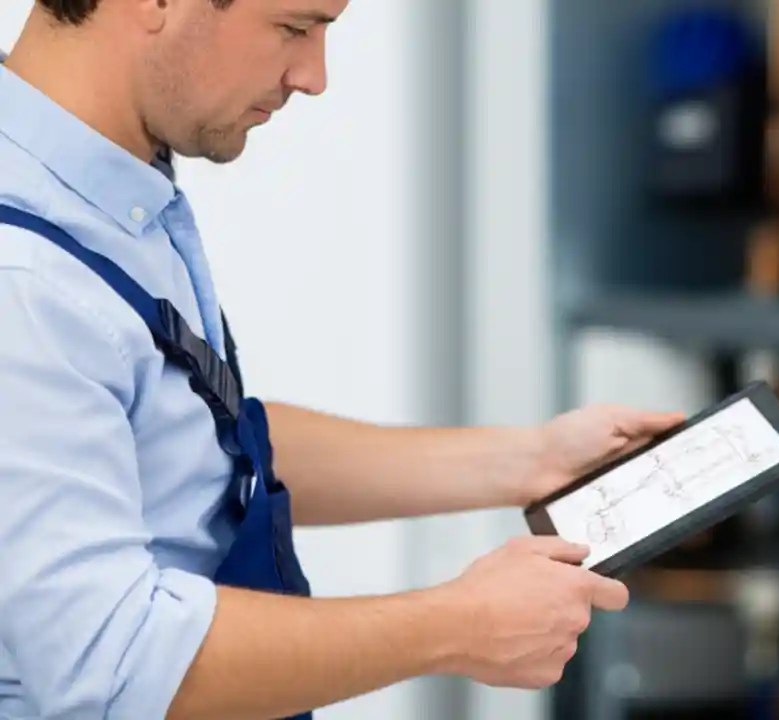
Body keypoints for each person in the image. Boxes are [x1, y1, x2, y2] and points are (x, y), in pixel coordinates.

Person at [0, 1, 685, 718]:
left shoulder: (109, 194)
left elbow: (200, 443)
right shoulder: (25, 282)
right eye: (295, 28)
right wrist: (460, 625)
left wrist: (529, 461)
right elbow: (116, 665)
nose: (314, 76)